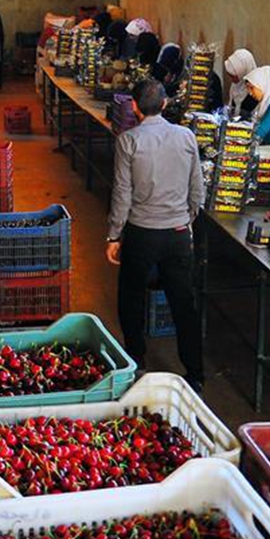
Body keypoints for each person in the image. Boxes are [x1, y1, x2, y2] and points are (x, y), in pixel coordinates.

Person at [106, 80, 206, 393]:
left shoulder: (128, 140)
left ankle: (137, 360)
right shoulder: (186, 136)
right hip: (177, 234)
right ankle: (195, 373)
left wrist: (114, 235)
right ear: (164, 104)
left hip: (141, 233)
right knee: (183, 303)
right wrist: (184, 220)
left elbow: (122, 193)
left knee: (130, 297)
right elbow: (197, 190)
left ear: (134, 107)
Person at [224, 49, 257, 117]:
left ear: (243, 72)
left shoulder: (256, 90)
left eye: (234, 76)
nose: (232, 80)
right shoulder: (236, 86)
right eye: (230, 76)